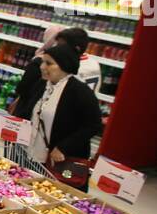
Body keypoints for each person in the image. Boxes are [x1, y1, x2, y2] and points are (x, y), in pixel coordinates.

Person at [26, 42, 103, 185]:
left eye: (49, 63)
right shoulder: (42, 85)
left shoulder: (80, 92)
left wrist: (63, 147)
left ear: (65, 66)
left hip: (63, 162)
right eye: (43, 62)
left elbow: (93, 125)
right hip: (35, 155)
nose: (42, 67)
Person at [55, 27, 101, 94]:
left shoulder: (71, 67)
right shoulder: (94, 62)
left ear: (76, 49)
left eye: (61, 46)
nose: (57, 49)